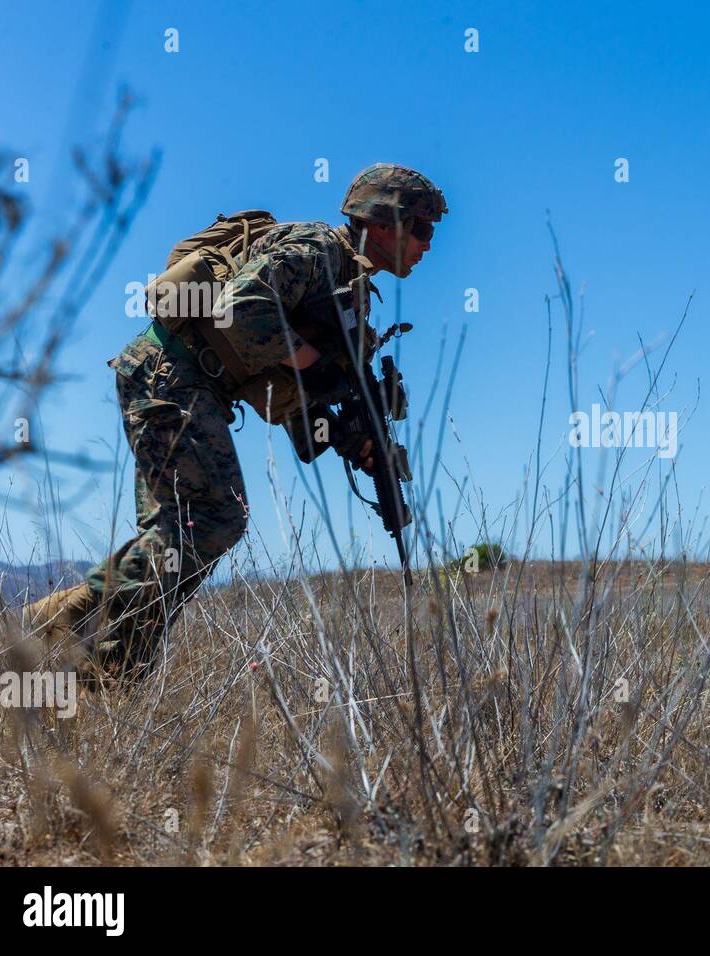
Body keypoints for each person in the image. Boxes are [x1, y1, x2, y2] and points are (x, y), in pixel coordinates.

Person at [22, 163, 446, 683]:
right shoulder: (316, 250)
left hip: (187, 386)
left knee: (187, 541)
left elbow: (295, 402)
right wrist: (319, 366)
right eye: (422, 230)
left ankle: (110, 675)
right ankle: (64, 614)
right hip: (171, 376)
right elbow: (237, 312)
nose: (427, 247)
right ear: (384, 222)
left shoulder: (350, 289)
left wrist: (348, 435)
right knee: (214, 520)